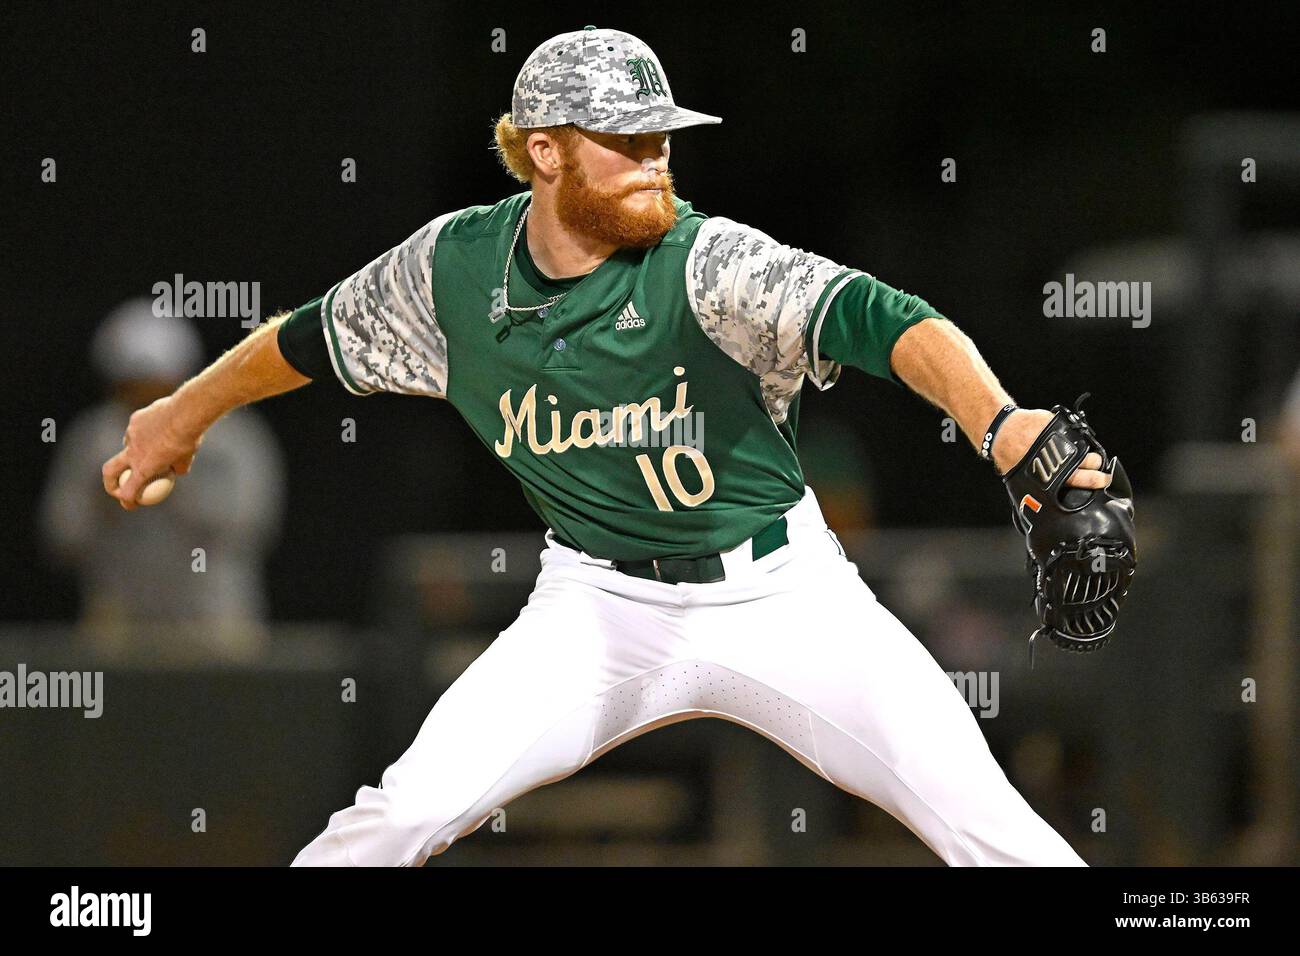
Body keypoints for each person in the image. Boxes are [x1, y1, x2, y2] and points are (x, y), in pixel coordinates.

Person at [102, 26, 1115, 866]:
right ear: (544, 150)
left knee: (1003, 840)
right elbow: (308, 337)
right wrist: (179, 415)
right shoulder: (452, 274)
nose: (654, 162)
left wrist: (998, 419)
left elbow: (882, 317)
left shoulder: (709, 263)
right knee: (399, 815)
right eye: (625, 142)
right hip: (598, 607)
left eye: (662, 140)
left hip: (785, 596)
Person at [46, 298, 285, 661]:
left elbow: (253, 526)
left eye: (159, 390)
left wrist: (175, 476)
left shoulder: (233, 437)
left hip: (214, 622)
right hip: (119, 626)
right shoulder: (94, 439)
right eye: (132, 390)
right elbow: (61, 537)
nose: (145, 401)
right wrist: (104, 499)